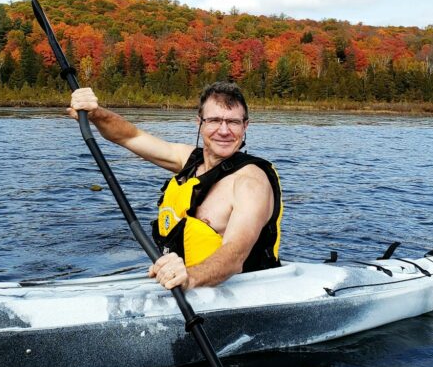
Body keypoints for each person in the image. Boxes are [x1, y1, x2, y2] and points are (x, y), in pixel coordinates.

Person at [68, 81, 283, 291]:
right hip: (187, 286)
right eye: (215, 120)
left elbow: (235, 254)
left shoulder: (251, 183)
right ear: (200, 123)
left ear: (246, 126)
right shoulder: (189, 160)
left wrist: (190, 277)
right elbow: (129, 136)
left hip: (242, 296)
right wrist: (95, 113)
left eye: (233, 122)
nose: (224, 130)